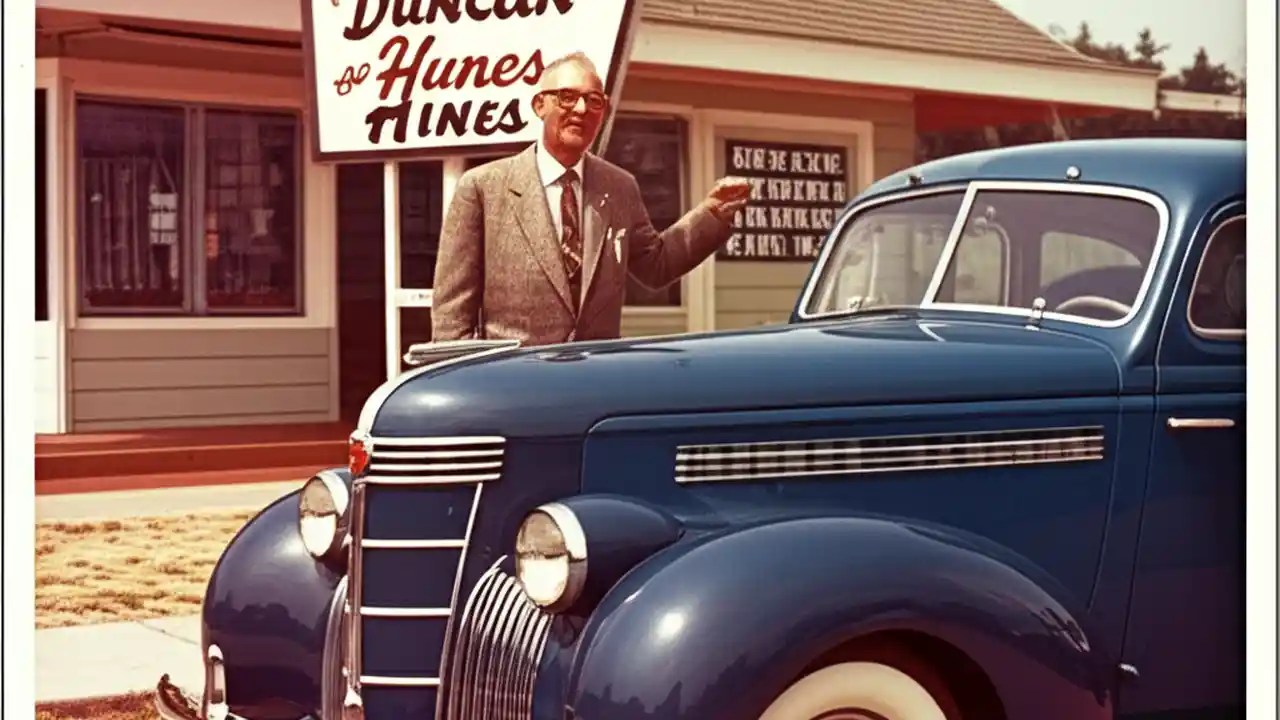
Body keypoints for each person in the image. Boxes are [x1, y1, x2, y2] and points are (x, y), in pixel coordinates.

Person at [431, 51, 751, 346]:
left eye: (594, 101)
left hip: (596, 381)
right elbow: (452, 315)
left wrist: (712, 215)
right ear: (540, 105)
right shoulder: (483, 188)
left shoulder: (619, 187)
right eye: (567, 97)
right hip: (515, 383)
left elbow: (655, 266)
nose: (581, 110)